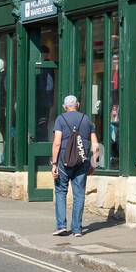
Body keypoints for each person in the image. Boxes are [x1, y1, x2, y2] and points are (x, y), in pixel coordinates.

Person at [51, 95, 99, 237]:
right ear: (77, 105)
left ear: (64, 107)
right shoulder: (87, 119)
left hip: (64, 160)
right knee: (79, 194)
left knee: (61, 191)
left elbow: (57, 143)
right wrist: (93, 164)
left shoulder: (60, 119)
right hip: (82, 161)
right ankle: (77, 229)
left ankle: (61, 226)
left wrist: (54, 163)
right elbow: (96, 146)